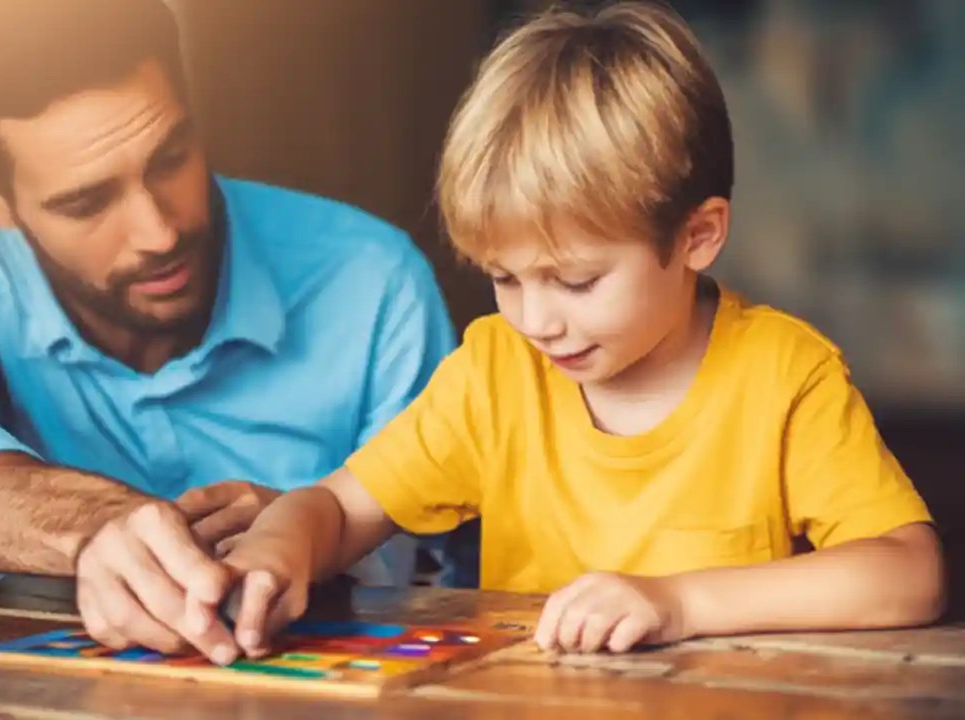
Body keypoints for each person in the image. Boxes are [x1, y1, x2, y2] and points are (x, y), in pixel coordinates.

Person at [201, 0, 946, 659]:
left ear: (698, 236)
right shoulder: (495, 375)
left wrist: (678, 603)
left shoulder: (785, 376)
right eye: (505, 277)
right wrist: (278, 545)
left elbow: (911, 572)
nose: (536, 321)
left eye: (577, 282)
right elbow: (335, 509)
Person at [0, 0, 455, 666]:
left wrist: (310, 527)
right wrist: (94, 523)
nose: (159, 233)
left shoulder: (373, 278)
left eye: (171, 159)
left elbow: (443, 562)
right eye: (87, 202)